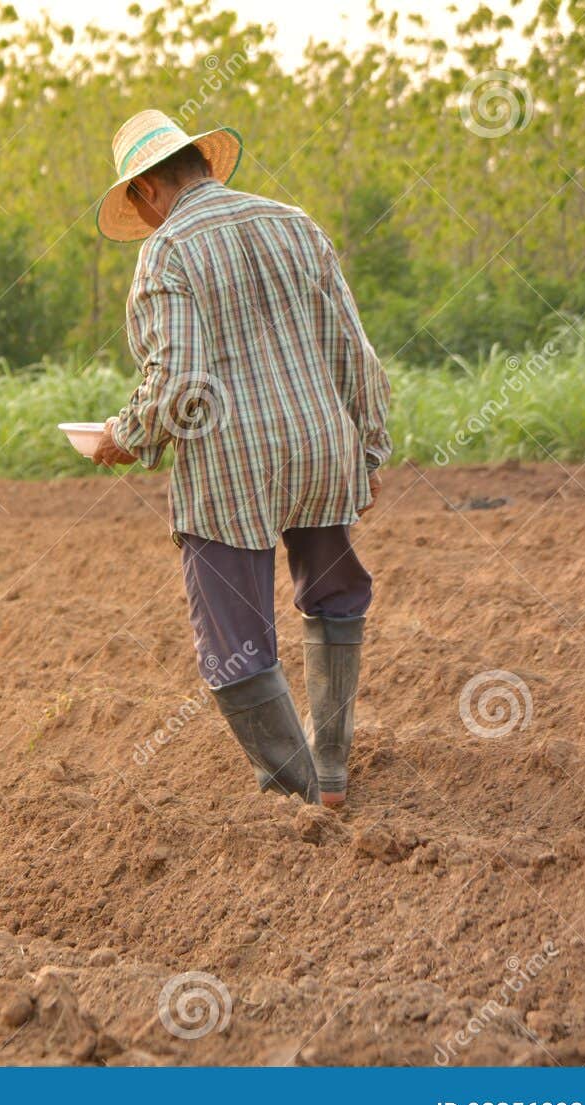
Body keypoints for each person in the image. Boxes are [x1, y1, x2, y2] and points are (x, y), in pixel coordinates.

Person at [88, 109, 391, 808]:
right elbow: (353, 348)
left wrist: (126, 435)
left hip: (232, 462)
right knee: (335, 595)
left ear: (145, 193)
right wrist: (366, 451)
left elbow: (180, 378)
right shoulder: (294, 222)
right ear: (204, 165)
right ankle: (333, 772)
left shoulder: (167, 252)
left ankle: (298, 797)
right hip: (321, 445)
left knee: (234, 641)